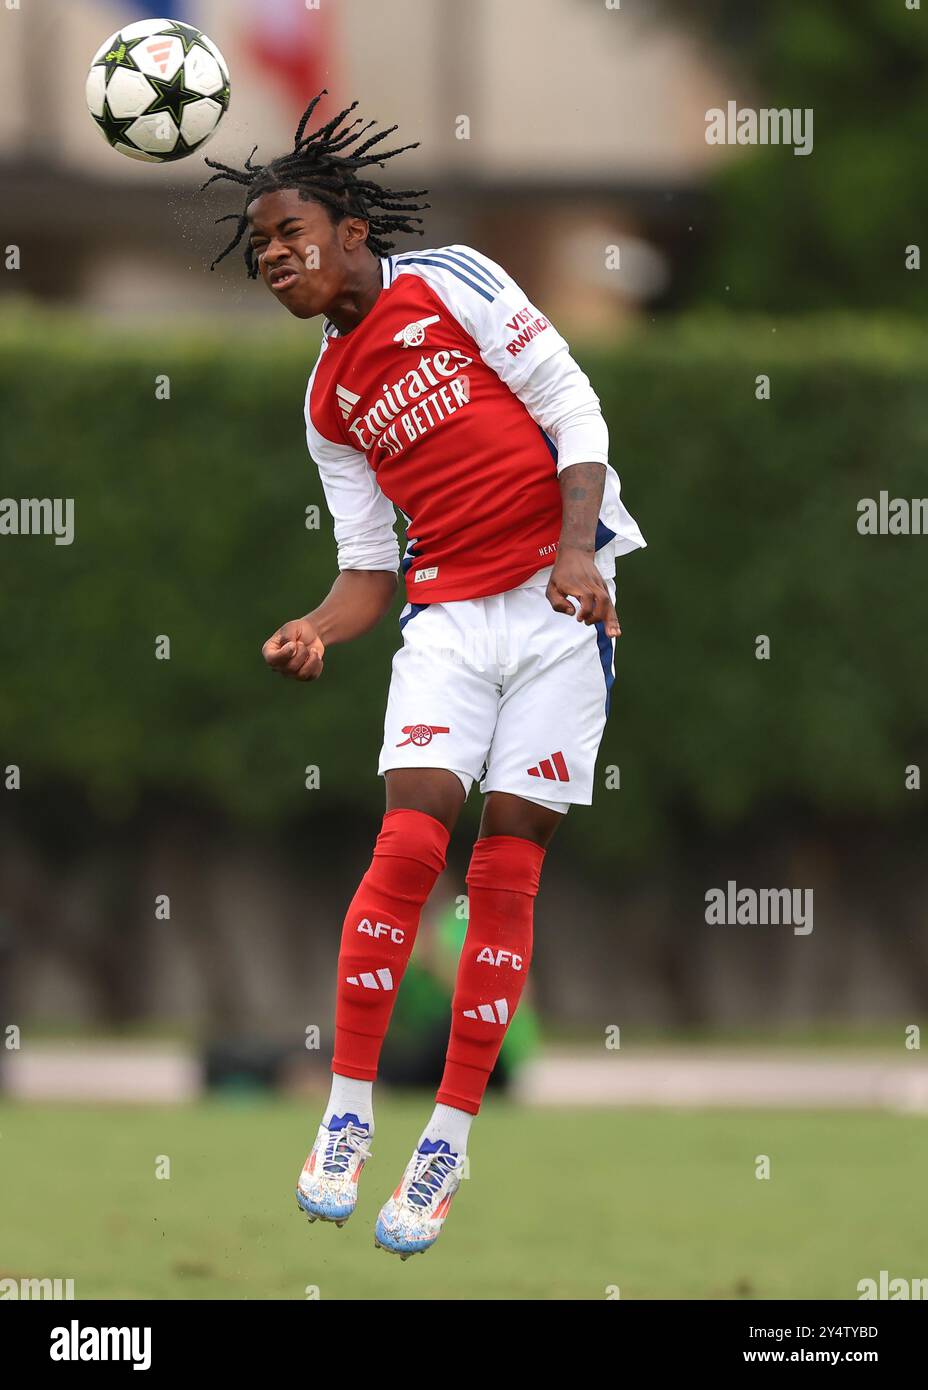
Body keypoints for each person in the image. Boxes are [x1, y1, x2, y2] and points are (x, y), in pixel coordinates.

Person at [204, 92, 645, 1258]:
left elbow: (573, 405)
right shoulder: (325, 400)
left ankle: (444, 1140)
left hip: (561, 608)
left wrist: (571, 553)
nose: (275, 259)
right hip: (446, 618)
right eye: (258, 253)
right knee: (406, 845)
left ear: (350, 228)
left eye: (288, 234)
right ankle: (347, 1120)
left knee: (502, 873)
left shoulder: (452, 278)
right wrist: (315, 626)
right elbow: (364, 572)